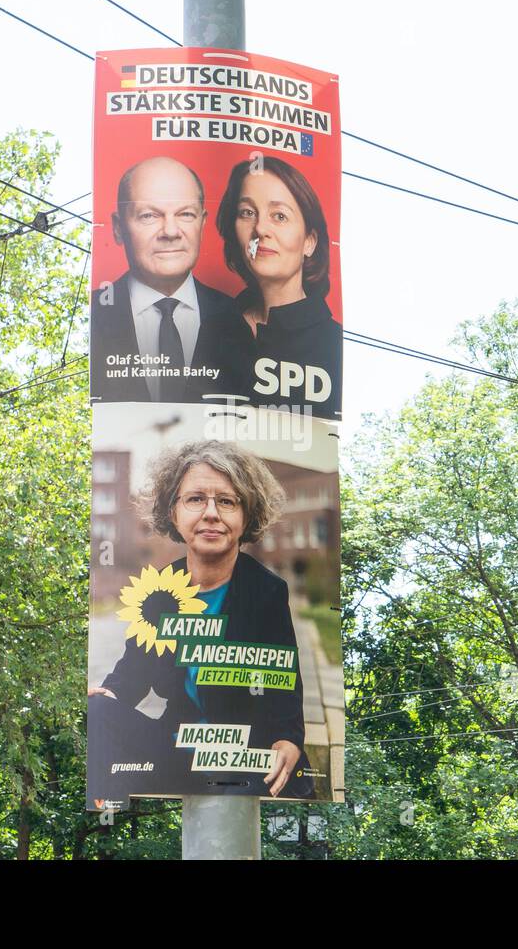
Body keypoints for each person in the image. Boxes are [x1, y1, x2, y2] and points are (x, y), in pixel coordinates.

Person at [87, 440, 312, 803]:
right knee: (96, 708)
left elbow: (284, 682)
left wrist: (288, 741)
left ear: (246, 515)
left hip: (241, 756)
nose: (211, 513)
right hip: (176, 752)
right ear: (173, 512)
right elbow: (132, 674)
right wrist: (108, 693)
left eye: (226, 501)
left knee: (291, 783)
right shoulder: (157, 591)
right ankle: (108, 815)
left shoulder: (267, 591)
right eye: (195, 499)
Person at [90, 156, 251, 403]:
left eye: (185, 214)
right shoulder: (95, 311)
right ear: (118, 228)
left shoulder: (235, 318)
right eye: (149, 216)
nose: (171, 232)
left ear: (202, 222)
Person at [216, 156, 342, 419]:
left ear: (309, 241)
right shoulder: (206, 327)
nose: (260, 228)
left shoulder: (331, 344)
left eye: (280, 216)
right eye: (247, 213)